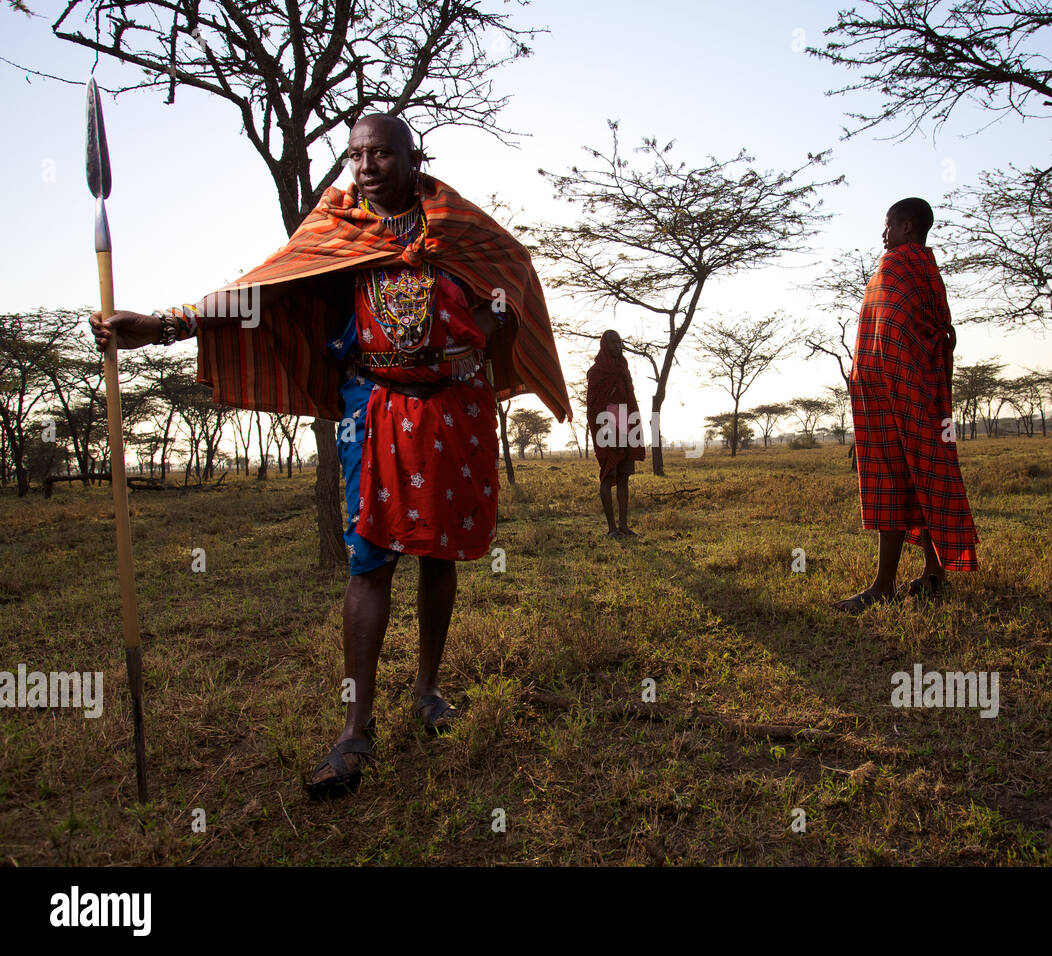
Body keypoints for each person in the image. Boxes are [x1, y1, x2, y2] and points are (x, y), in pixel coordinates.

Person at [90, 114, 570, 798]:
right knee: (369, 560)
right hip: (374, 411)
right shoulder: (337, 227)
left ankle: (428, 692)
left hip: (455, 406)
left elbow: (511, 280)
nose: (366, 165)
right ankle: (354, 729)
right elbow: (263, 288)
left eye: (381, 153)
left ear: (413, 157)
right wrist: (168, 325)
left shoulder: (458, 224)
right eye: (355, 155)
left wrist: (483, 327)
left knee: (438, 553)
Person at [833, 198, 978, 612]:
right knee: (925, 474)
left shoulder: (896, 266)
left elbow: (894, 333)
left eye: (888, 226)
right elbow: (934, 330)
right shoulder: (928, 270)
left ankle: (883, 586)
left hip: (893, 394)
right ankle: (934, 573)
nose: (883, 235)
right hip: (922, 390)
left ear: (908, 226)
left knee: (894, 478)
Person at [586, 330, 645, 537]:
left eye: (620, 341)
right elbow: (593, 406)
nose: (618, 346)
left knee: (624, 477)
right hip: (606, 427)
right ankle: (611, 528)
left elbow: (630, 399)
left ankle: (624, 526)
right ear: (605, 345)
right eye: (613, 342)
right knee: (608, 474)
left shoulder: (623, 369)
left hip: (627, 424)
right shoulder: (596, 372)